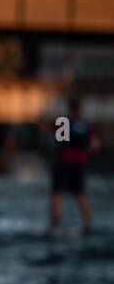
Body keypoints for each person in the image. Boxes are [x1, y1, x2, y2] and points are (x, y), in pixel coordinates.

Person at [48, 94, 96, 235]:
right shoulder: (86, 124)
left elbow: (57, 138)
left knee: (57, 193)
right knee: (81, 193)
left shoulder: (63, 121)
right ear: (80, 108)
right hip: (79, 163)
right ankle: (88, 224)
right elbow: (93, 144)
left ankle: (55, 225)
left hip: (63, 162)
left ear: (69, 107)